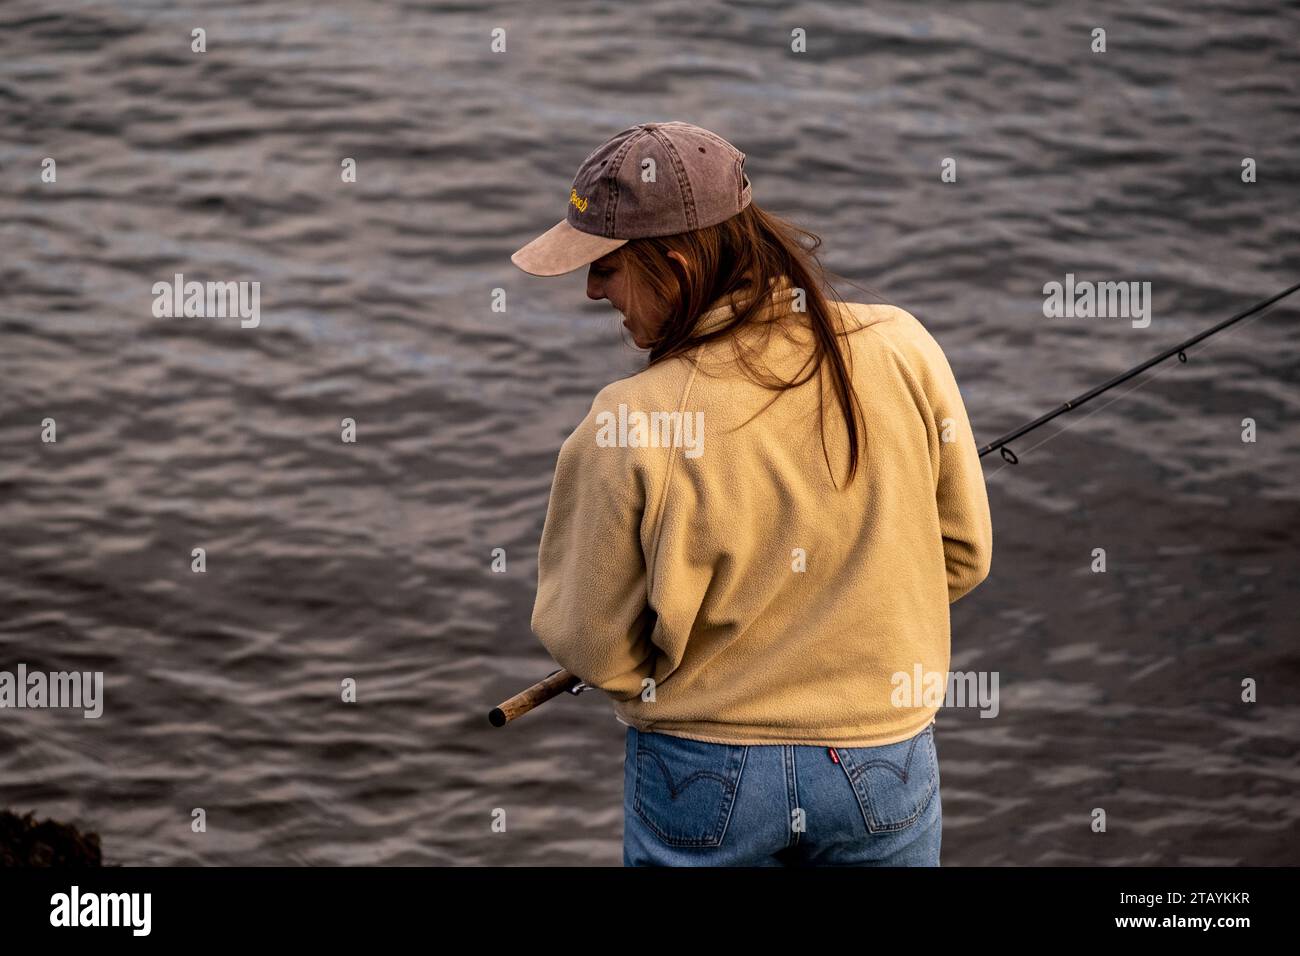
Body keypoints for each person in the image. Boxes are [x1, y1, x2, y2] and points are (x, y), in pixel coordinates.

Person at [510, 121, 992, 866]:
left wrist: (678, 674)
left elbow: (594, 642)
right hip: (883, 761)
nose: (591, 288)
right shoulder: (903, 347)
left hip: (706, 774)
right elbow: (960, 555)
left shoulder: (629, 420)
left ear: (673, 264)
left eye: (605, 266)